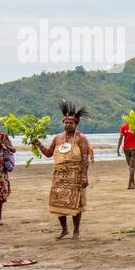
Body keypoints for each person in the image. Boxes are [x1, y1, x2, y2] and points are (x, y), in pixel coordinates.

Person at [34, 101, 93, 240]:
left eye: (70, 123)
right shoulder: (58, 138)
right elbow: (48, 153)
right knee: (58, 201)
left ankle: (76, 231)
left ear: (76, 124)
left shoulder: (81, 138)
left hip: (76, 174)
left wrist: (84, 176)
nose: (67, 125)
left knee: (76, 203)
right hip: (59, 175)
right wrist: (38, 144)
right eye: (65, 123)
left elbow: (85, 158)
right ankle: (64, 229)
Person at [117, 120, 135, 190]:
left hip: (127, 148)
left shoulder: (125, 127)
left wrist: (118, 149)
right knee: (132, 166)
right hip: (134, 148)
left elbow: (120, 138)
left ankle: (132, 183)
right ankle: (130, 184)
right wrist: (118, 149)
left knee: (131, 166)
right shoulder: (134, 126)